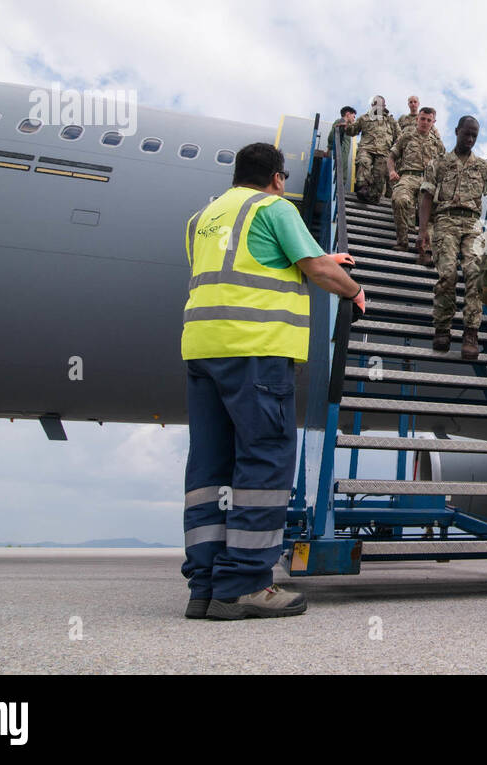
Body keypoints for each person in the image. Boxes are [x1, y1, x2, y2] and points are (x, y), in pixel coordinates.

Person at [181, 142, 366, 620]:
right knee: (263, 461)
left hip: (202, 350)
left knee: (209, 468)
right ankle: (244, 584)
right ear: (278, 178)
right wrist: (355, 289)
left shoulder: (202, 219)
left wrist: (321, 257)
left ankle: (205, 586)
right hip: (257, 351)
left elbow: (248, 264)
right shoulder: (274, 207)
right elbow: (317, 270)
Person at [418, 115, 487, 360]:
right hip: (445, 221)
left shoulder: (485, 168)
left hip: (471, 224)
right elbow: (426, 197)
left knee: (475, 273)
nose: (469, 139)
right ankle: (443, 328)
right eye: (466, 134)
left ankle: (470, 333)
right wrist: (423, 231)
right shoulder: (439, 164)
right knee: (447, 274)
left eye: (474, 136)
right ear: (456, 131)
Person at [387, 106, 445, 252]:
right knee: (399, 199)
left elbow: (445, 166)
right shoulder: (407, 136)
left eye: (429, 120)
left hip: (428, 181)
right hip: (408, 176)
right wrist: (392, 171)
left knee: (432, 211)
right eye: (422, 119)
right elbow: (392, 156)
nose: (425, 122)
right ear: (417, 119)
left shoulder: (437, 143)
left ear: (433, 122)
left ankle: (425, 249)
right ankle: (402, 242)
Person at [340, 95, 397, 203]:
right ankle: (363, 188)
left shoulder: (391, 121)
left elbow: (399, 137)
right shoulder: (364, 118)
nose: (378, 106)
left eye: (380, 104)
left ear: (384, 106)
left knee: (379, 175)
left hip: (384, 152)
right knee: (363, 161)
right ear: (372, 105)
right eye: (375, 104)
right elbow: (353, 131)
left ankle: (373, 196)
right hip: (366, 148)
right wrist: (346, 125)